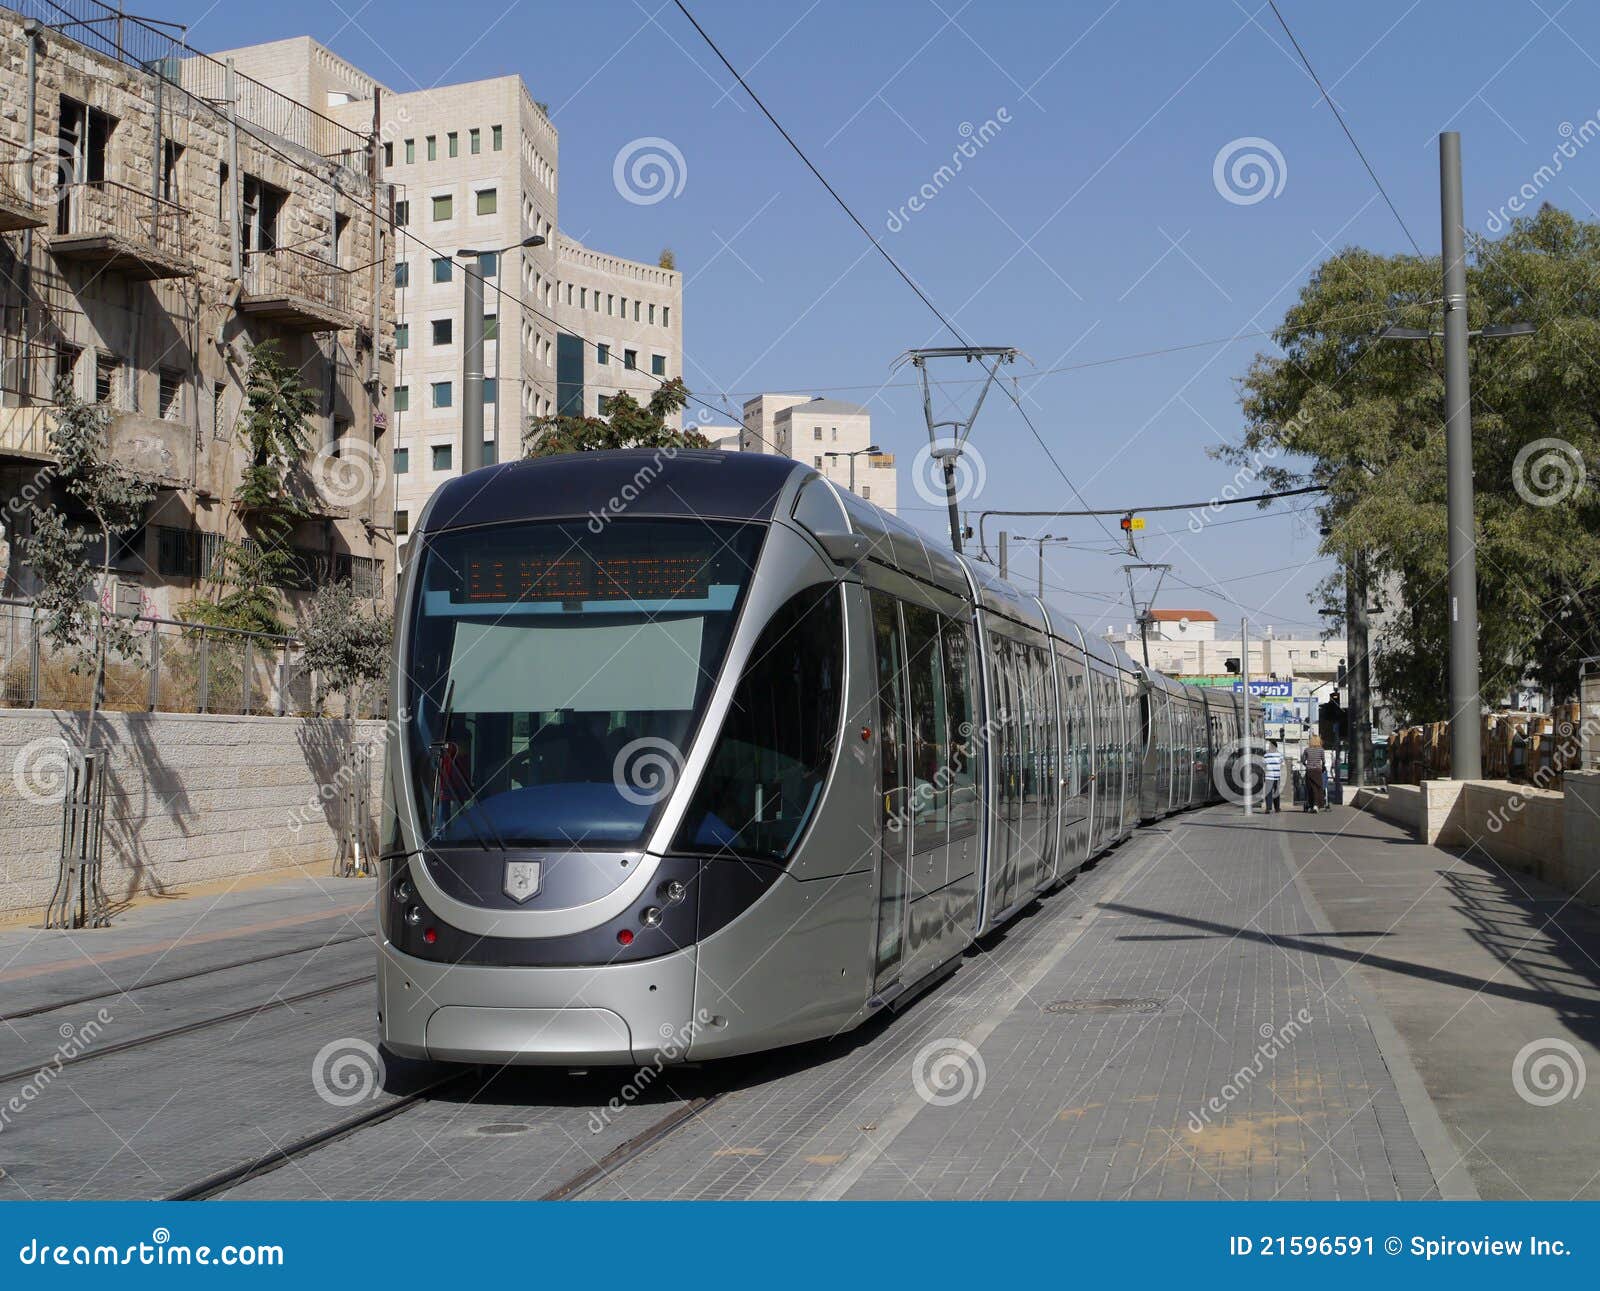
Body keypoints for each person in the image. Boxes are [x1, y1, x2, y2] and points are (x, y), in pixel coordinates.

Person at [1302, 734, 1326, 813]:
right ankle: (1316, 805)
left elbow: (1303, 760)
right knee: (1318, 788)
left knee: (1310, 788)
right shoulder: (1321, 750)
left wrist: (1306, 765)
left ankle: (1311, 805)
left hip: (1309, 771)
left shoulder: (1307, 750)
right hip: (1317, 771)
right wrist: (1322, 767)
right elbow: (1324, 761)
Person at [1262, 739, 1283, 813]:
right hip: (1276, 777)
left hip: (1268, 776)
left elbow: (1263, 765)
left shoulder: (1266, 755)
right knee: (1276, 792)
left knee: (1268, 792)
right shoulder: (1280, 755)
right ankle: (1277, 808)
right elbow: (1281, 764)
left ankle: (1268, 808)